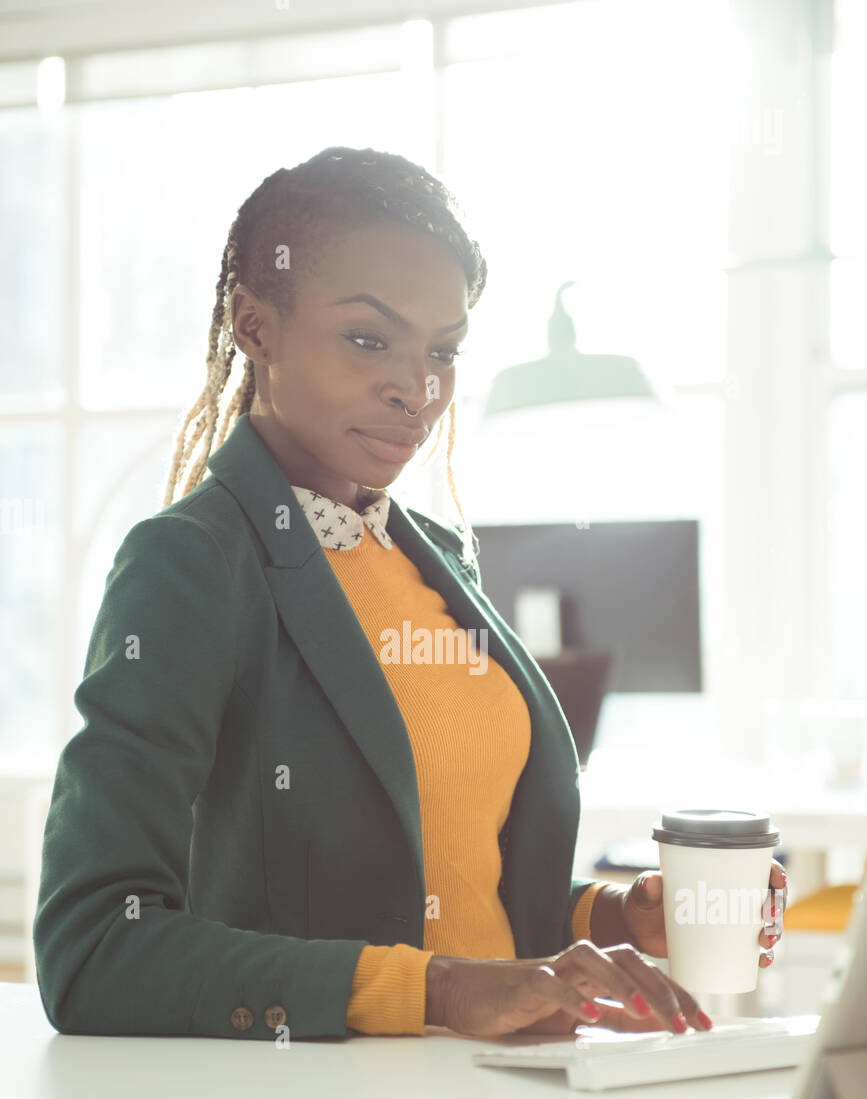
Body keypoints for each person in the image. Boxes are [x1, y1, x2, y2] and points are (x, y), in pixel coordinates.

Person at [33, 145, 786, 1043]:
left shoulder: (427, 557)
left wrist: (613, 917)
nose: (415, 388)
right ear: (254, 325)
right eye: (367, 338)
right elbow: (92, 951)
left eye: (443, 351)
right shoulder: (190, 563)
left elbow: (453, 903)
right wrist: (439, 992)